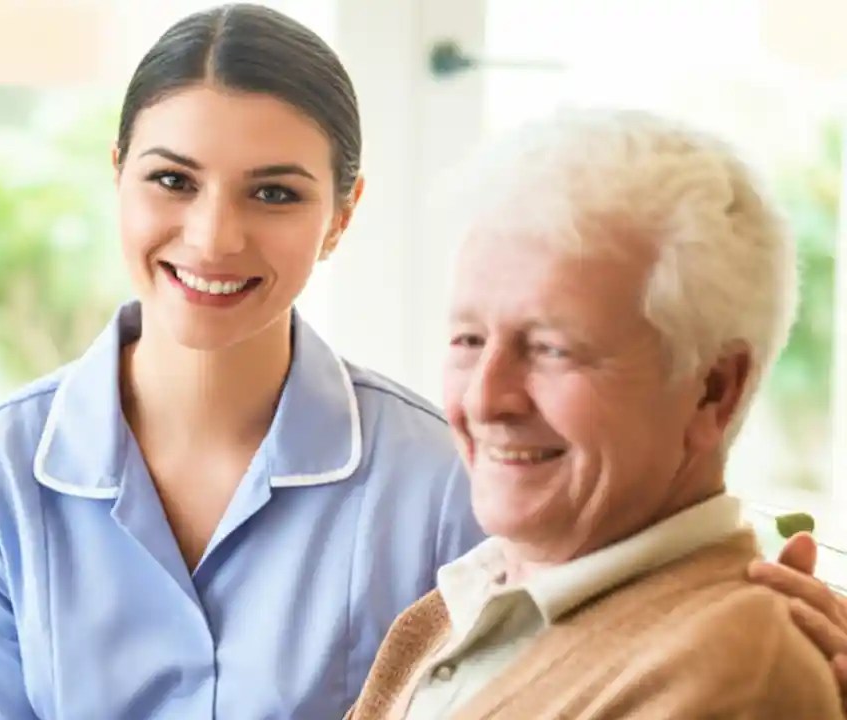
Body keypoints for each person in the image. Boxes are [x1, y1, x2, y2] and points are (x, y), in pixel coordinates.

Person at [0, 5, 847, 718]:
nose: (214, 236)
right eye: (171, 179)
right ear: (116, 174)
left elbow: (625, 608)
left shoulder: (455, 474)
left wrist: (773, 625)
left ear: (343, 213)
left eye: (274, 193)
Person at [347, 109, 847, 719]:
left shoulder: (730, 674)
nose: (484, 398)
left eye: (552, 349)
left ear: (712, 391)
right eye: (469, 340)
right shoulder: (464, 604)